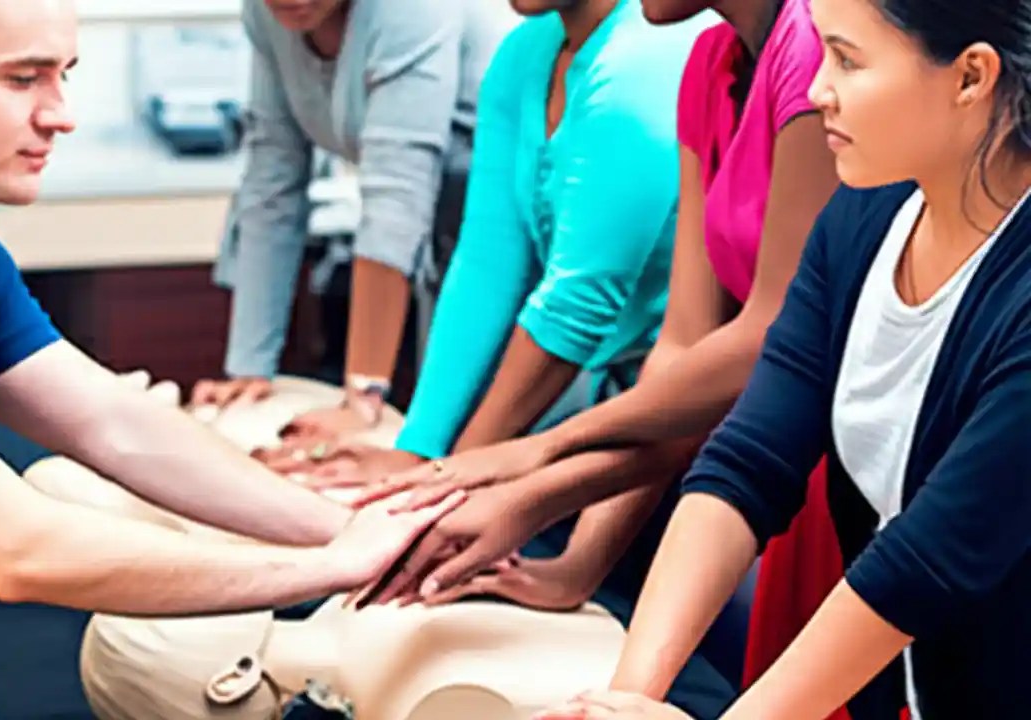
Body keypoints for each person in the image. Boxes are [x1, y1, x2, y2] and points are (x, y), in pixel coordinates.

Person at [0, 2, 466, 717]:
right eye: (23, 78)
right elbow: (21, 550)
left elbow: (111, 422)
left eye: (63, 75)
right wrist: (329, 566)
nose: (61, 114)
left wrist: (356, 528)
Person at [534, 0, 1031, 716]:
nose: (817, 88)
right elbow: (749, 460)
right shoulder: (864, 214)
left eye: (848, 59)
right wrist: (624, 699)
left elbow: (929, 562)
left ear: (970, 77)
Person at [359, 0, 839, 653]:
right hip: (753, 441)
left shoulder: (811, 53)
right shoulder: (709, 65)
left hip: (835, 465)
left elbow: (770, 343)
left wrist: (536, 464)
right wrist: (575, 565)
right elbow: (685, 345)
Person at [261, 0, 710, 498]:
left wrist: (451, 475)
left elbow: (578, 301)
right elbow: (488, 260)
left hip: (696, 411)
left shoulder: (644, 59)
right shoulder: (527, 50)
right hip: (611, 396)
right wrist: (421, 448)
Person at [190, 0, 513, 443]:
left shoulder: (411, 10)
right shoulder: (268, 14)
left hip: (507, 231)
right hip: (436, 228)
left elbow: (394, 196)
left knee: (479, 437)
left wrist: (363, 393)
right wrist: (250, 367)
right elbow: (272, 179)